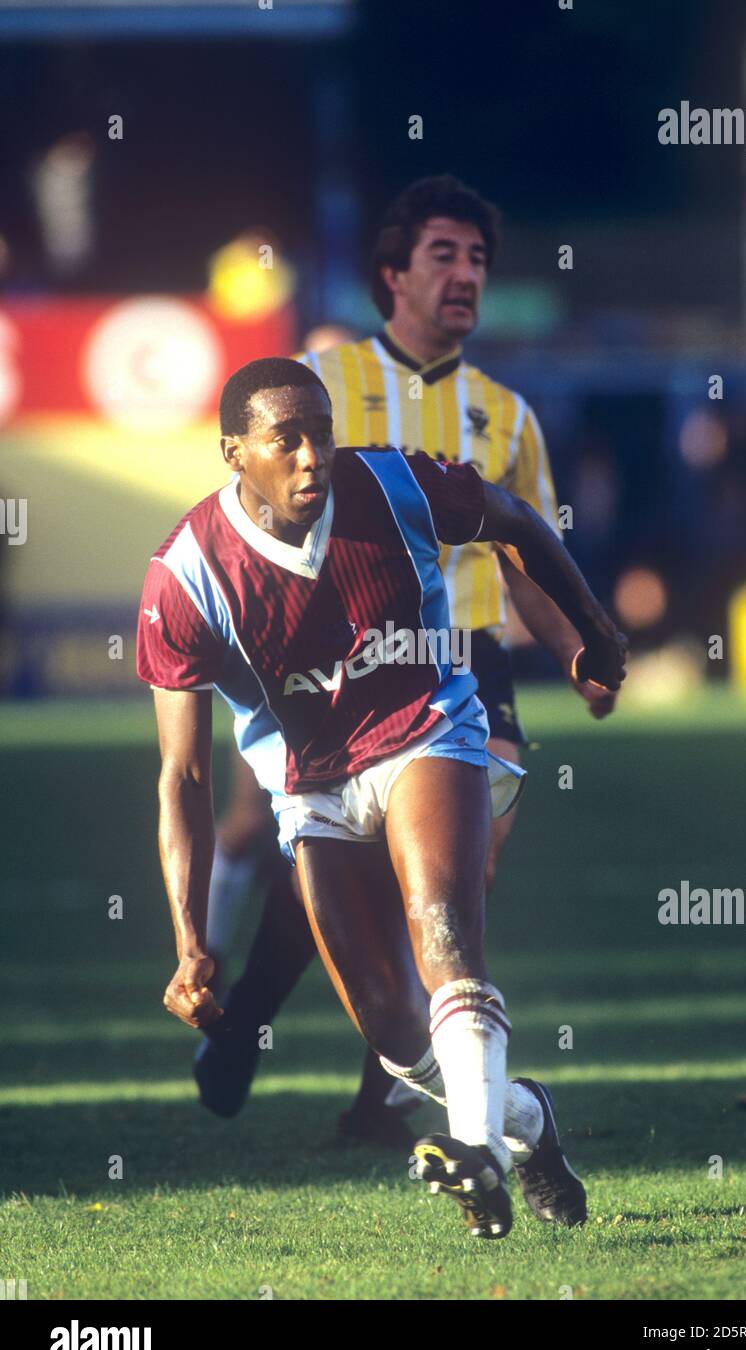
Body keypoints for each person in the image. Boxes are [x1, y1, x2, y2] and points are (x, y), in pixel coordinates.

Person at [137, 356, 626, 1237]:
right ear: (232, 452)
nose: (312, 456)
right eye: (285, 438)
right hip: (312, 791)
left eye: (321, 432)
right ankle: (525, 1122)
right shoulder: (184, 578)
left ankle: (472, 1152)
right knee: (400, 1038)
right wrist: (190, 943)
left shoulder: (394, 480)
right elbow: (184, 776)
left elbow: (513, 519)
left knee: (443, 926)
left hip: (428, 729)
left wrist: (592, 631)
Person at [198, 176, 617, 1141]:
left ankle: (388, 1090)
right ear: (392, 273)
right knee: (335, 873)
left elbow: (525, 562)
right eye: (443, 255)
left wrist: (578, 648)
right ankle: (250, 1017)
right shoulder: (319, 381)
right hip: (342, 652)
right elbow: (248, 515)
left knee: (451, 878)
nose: (465, 274)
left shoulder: (505, 414)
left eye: (477, 260)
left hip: (468, 663)